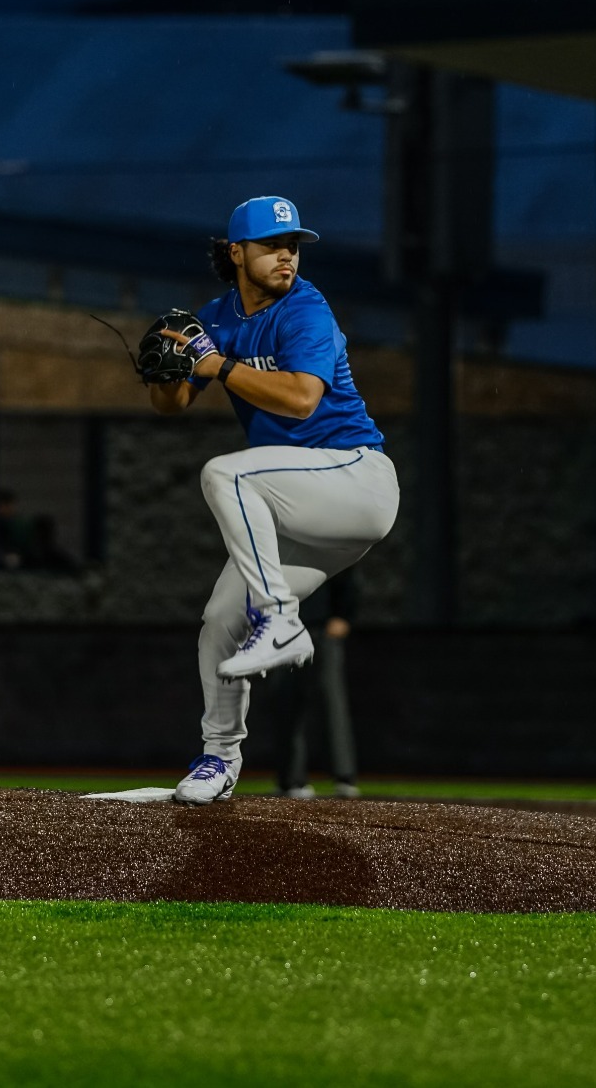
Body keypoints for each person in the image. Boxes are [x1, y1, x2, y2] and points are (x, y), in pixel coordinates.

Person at [139, 196, 400, 806]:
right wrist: (165, 373)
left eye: (293, 245)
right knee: (219, 624)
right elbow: (172, 405)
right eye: (272, 245)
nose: (287, 255)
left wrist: (217, 365)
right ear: (236, 253)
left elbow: (303, 399)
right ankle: (219, 760)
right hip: (300, 503)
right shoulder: (215, 318)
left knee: (225, 474)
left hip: (356, 479)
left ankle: (279, 619)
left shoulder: (306, 308)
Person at [275, 567, 361, 800]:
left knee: (331, 702)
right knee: (286, 701)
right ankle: (292, 779)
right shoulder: (277, 550)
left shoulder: (325, 547)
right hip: (284, 632)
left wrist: (343, 614)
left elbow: (345, 572)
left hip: (322, 629)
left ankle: (344, 776)